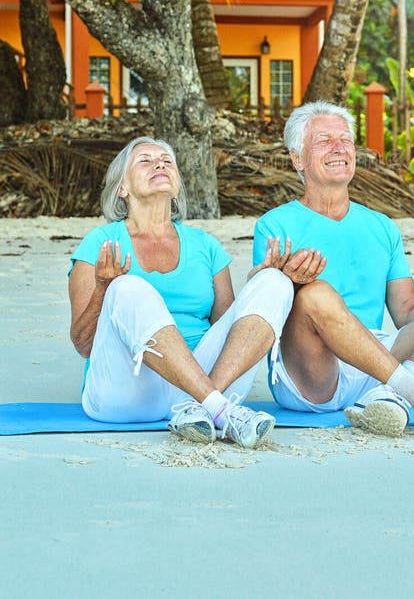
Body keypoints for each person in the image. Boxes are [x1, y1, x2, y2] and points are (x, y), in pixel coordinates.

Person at [253, 101, 414, 439]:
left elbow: (408, 314)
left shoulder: (382, 227)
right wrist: (283, 279)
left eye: (345, 139)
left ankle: (393, 394)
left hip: (376, 366)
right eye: (325, 140)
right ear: (298, 158)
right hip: (312, 375)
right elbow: (259, 307)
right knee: (316, 294)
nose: (340, 148)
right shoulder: (275, 224)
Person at [69, 136, 294, 449]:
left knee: (276, 281)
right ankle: (219, 409)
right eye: (145, 160)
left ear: (176, 188)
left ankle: (206, 404)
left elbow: (229, 330)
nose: (159, 164)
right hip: (127, 393)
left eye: (167, 161)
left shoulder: (206, 245)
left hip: (202, 387)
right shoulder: (100, 243)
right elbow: (83, 344)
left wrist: (257, 286)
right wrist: (103, 289)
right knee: (127, 286)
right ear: (122, 188)